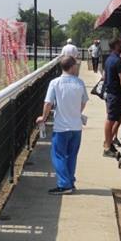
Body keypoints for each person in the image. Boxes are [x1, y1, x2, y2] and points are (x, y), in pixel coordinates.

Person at [36, 55, 88, 194]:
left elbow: (48, 103)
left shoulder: (55, 83)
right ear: (71, 67)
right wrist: (77, 112)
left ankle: (64, 184)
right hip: (76, 126)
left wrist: (44, 117)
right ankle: (70, 181)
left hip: (61, 127)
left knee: (58, 155)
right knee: (72, 155)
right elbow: (84, 101)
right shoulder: (80, 83)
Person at [102, 38, 121, 157]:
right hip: (115, 94)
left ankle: (109, 142)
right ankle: (107, 146)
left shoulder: (109, 59)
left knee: (118, 118)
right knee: (111, 119)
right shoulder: (118, 61)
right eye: (120, 43)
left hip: (110, 93)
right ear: (116, 45)